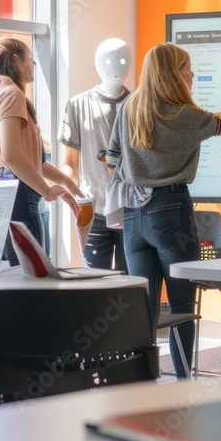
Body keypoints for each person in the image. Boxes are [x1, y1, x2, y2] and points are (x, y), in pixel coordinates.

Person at [106, 43, 221, 378]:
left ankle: (141, 384)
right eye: (187, 68)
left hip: (133, 215)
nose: (192, 74)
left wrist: (135, 170)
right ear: (174, 74)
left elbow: (112, 159)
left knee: (143, 311)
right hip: (170, 209)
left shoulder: (129, 106)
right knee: (182, 306)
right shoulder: (185, 115)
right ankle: (184, 381)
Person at [0, 37, 80, 253]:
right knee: (33, 276)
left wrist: (66, 183)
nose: (33, 63)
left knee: (11, 272)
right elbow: (13, 155)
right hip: (18, 192)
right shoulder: (12, 94)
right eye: (30, 58)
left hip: (3, 188)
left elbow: (33, 161)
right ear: (16, 60)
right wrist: (46, 190)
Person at [59, 38, 132, 272]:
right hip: (93, 208)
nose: (116, 66)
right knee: (93, 280)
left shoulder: (138, 105)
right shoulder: (78, 105)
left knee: (128, 281)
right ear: (98, 64)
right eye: (109, 60)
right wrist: (73, 196)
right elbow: (70, 162)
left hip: (130, 207)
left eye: (122, 60)